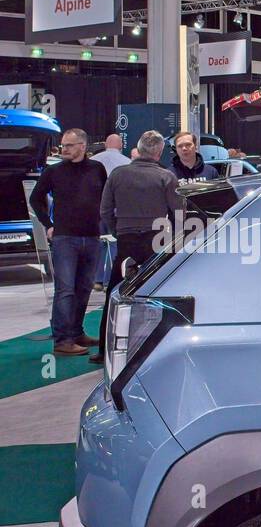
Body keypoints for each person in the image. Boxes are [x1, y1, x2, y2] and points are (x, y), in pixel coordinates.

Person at [95, 130, 183, 364]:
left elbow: (104, 210)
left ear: (139, 148)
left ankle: (103, 350)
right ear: (159, 152)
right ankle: (151, 348)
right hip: (155, 240)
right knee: (156, 292)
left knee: (115, 290)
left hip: (126, 239)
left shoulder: (118, 174)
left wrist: (117, 230)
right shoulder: (166, 177)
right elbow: (178, 215)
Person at [28, 128, 107, 357]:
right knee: (65, 290)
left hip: (91, 237)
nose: (64, 149)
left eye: (69, 146)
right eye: (63, 145)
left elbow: (105, 195)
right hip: (65, 238)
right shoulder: (54, 171)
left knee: (83, 288)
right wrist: (48, 224)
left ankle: (76, 331)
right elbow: (36, 199)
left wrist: (102, 219)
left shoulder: (97, 169)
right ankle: (62, 339)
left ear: (82, 146)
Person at [91, 133, 130, 290]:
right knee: (114, 244)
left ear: (106, 144)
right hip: (118, 209)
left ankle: (97, 279)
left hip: (95, 209)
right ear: (121, 145)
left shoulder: (93, 161)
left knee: (98, 244)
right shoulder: (127, 163)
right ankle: (110, 280)